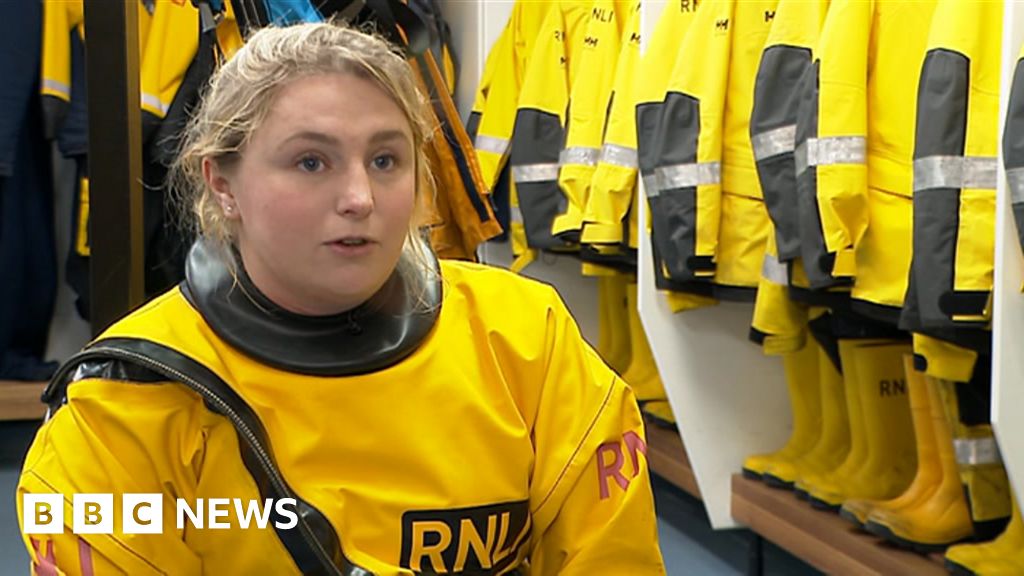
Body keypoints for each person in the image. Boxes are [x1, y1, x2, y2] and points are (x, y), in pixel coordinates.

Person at [16, 22, 665, 575]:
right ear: (222, 184)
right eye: (311, 162)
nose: (360, 197)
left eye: (386, 160)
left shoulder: (527, 337)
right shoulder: (119, 403)